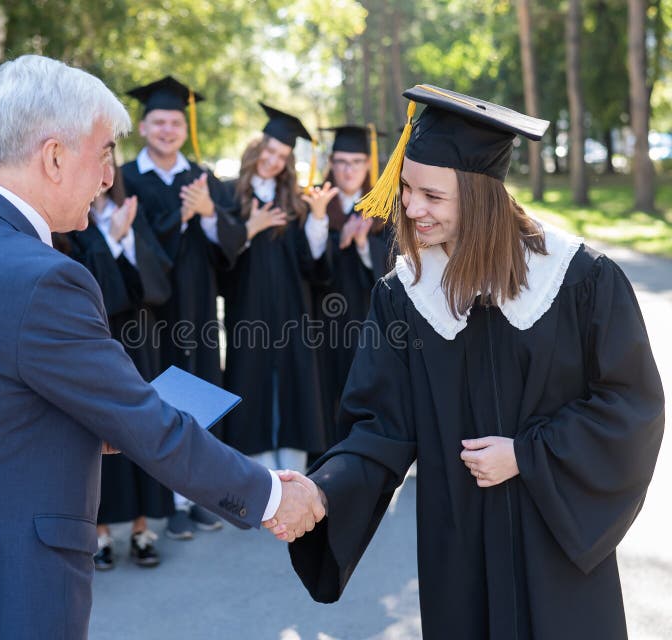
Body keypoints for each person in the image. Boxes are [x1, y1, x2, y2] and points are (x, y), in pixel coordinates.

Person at [0, 55, 324, 640]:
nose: (111, 176)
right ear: (55, 156)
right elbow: (146, 421)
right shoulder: (44, 277)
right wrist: (267, 496)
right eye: (104, 150)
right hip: (8, 592)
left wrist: (82, 428)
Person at [281, 84, 665, 639]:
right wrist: (321, 492)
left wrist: (529, 455)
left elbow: (632, 404)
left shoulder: (579, 279)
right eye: (407, 188)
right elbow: (379, 427)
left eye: (432, 197)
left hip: (553, 542)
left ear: (482, 196)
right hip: (458, 545)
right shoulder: (405, 295)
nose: (410, 209)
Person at [120, 75, 245, 539]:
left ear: (184, 127)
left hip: (198, 307)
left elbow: (230, 246)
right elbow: (141, 245)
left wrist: (210, 212)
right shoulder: (128, 179)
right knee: (163, 401)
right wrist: (184, 215)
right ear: (143, 125)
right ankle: (167, 500)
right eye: (159, 122)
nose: (168, 130)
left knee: (202, 396)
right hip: (153, 314)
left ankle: (198, 495)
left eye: (175, 122)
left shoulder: (202, 177)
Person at [67, 162, 175, 570]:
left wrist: (126, 238)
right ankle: (99, 533)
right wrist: (112, 239)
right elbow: (87, 284)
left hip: (139, 343)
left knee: (139, 429)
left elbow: (157, 279)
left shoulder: (131, 211)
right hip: (96, 340)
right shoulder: (69, 221)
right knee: (102, 433)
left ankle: (142, 528)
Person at [219, 103, 336, 474]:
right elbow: (219, 256)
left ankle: (293, 475)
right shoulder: (228, 195)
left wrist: (318, 218)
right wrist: (249, 228)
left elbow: (313, 263)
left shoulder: (297, 202)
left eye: (282, 156)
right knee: (249, 381)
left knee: (293, 384)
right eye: (269, 151)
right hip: (247, 307)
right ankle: (255, 476)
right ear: (257, 147)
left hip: (291, 312)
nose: (273, 161)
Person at [311, 124, 394, 445]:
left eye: (357, 162)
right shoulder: (316, 203)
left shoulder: (384, 207)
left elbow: (395, 266)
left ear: (369, 164)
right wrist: (336, 239)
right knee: (325, 387)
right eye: (342, 161)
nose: (348, 170)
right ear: (331, 163)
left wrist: (362, 244)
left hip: (365, 317)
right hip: (321, 318)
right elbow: (306, 261)